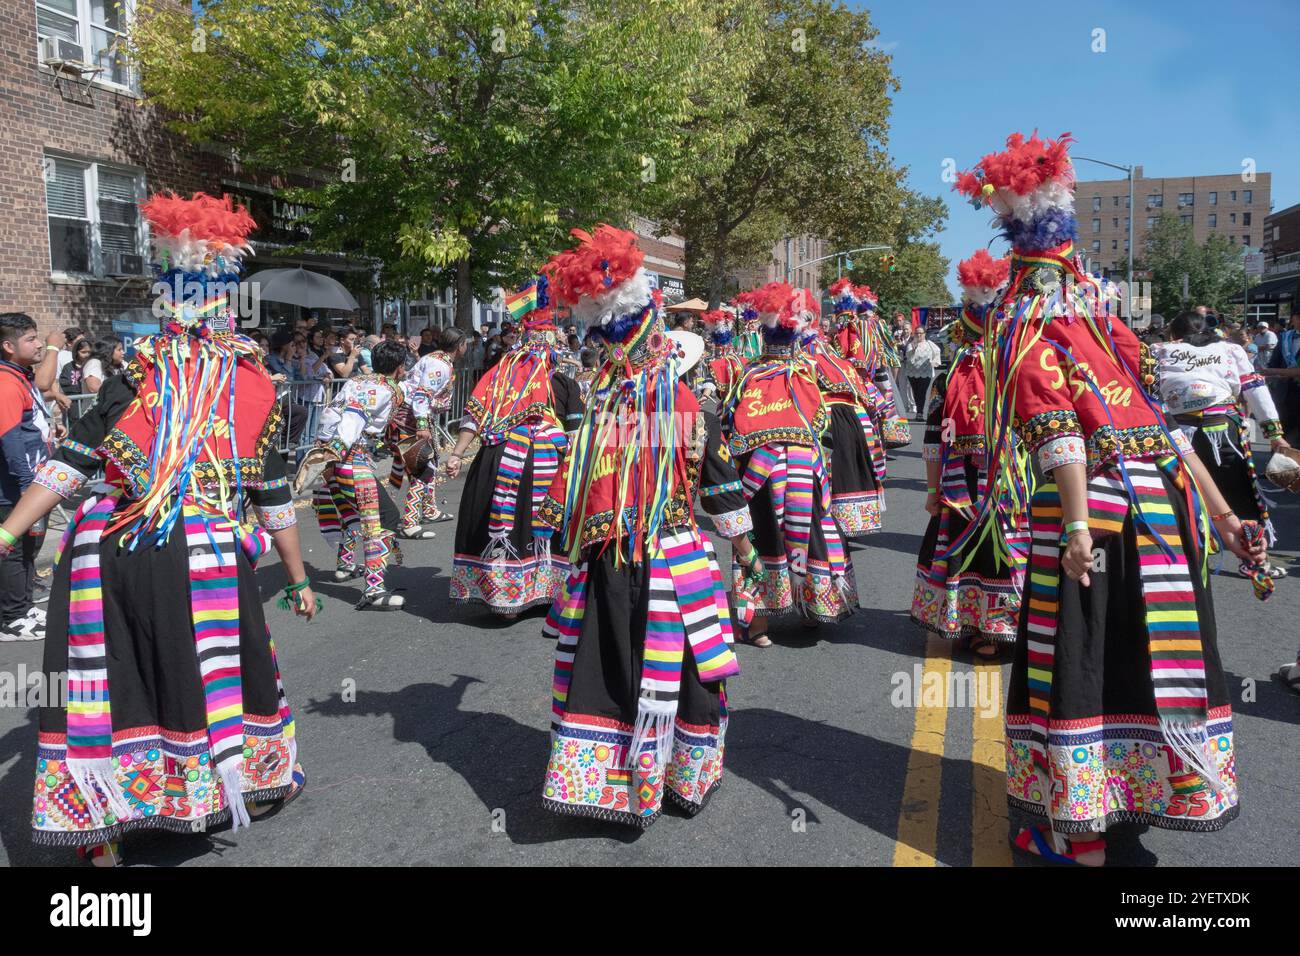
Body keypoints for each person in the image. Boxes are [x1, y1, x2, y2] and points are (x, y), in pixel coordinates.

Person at [954, 131, 1261, 865]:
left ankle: (1079, 827)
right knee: (1146, 659)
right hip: (1165, 520)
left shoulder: (1028, 333)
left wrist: (1081, 528)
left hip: (1094, 516)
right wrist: (1226, 518)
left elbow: (1060, 436)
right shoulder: (1112, 338)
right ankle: (1145, 790)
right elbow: (1167, 435)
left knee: (1081, 662)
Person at [0, 193, 313, 864]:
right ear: (225, 317)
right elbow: (273, 493)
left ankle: (103, 822)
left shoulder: (129, 378)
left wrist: (5, 534)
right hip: (199, 553)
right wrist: (296, 577)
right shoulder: (250, 386)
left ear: (163, 317)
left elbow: (69, 462)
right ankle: (221, 789)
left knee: (107, 681)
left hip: (102, 553)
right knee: (209, 672)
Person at [534, 225, 755, 827]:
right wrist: (745, 550)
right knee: (669, 670)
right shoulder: (675, 400)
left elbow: (576, 489)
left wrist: (562, 545)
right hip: (664, 559)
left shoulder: (606, 401)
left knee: (612, 661)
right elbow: (716, 479)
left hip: (611, 559)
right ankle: (666, 780)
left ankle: (612, 783)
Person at [722, 282, 858, 643]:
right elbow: (823, 423)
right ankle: (813, 607)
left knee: (762, 537)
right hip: (802, 468)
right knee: (811, 532)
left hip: (759, 474)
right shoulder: (807, 373)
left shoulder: (748, 375)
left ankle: (759, 624)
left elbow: (728, 422)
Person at [912, 251, 1027, 659]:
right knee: (996, 550)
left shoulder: (1005, 368)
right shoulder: (1020, 365)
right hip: (997, 481)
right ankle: (990, 626)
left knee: (973, 550)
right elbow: (934, 434)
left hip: (991, 480)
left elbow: (933, 438)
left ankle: (976, 622)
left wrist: (931, 488)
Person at [443, 282, 581, 618]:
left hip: (498, 459)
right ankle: (548, 589)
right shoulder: (563, 381)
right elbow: (576, 432)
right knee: (543, 523)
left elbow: (473, 415)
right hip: (546, 461)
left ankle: (504, 595)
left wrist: (458, 453)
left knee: (502, 521)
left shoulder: (498, 375)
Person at [1154, 311, 1288, 574]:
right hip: (1222, 431)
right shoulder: (1230, 350)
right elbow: (1254, 389)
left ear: (1174, 334)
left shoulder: (1159, 351)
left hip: (1180, 434)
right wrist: (1274, 434)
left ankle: (1182, 559)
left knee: (1184, 492)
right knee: (1239, 492)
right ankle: (1255, 561)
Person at [310, 340, 413, 610]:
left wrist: (324, 447)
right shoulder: (384, 390)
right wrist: (336, 448)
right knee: (383, 519)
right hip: (351, 460)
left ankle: (345, 565)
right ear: (400, 368)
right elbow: (353, 416)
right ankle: (374, 589)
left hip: (334, 461)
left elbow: (332, 413)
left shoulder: (356, 382)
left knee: (350, 513)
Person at [806, 281, 887, 538]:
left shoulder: (812, 355)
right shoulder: (831, 353)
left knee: (835, 468)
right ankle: (846, 521)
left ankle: (828, 522)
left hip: (830, 414)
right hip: (852, 412)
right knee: (849, 464)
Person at [0, 313, 54, 642]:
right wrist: (25, 485)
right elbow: (9, 438)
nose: (39, 345)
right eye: (31, 339)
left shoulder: (20, 375)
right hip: (12, 489)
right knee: (15, 550)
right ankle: (11, 617)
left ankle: (24, 605)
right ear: (8, 346)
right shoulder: (6, 382)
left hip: (31, 480)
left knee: (30, 547)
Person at [387, 326, 466, 538]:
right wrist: (422, 425)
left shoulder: (436, 359)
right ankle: (410, 522)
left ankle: (429, 510)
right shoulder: (438, 364)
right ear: (460, 346)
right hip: (411, 419)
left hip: (416, 416)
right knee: (422, 467)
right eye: (465, 344)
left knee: (431, 462)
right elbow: (422, 395)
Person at [264, 329, 309, 447]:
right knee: (300, 411)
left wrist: (302, 359)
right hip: (275, 399)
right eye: (292, 344)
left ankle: (288, 442)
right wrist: (288, 358)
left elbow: (302, 377)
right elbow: (285, 378)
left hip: (286, 399)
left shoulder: (288, 359)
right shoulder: (271, 359)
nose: (294, 347)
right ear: (284, 346)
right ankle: (286, 442)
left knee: (300, 413)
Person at [902, 325, 942, 420]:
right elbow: (908, 355)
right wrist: (913, 349)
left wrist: (934, 362)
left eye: (921, 333)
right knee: (916, 393)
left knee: (922, 392)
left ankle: (920, 413)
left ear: (924, 334)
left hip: (925, 373)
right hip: (912, 373)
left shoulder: (929, 344)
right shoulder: (911, 344)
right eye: (917, 333)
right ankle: (918, 411)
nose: (918, 335)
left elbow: (937, 351)